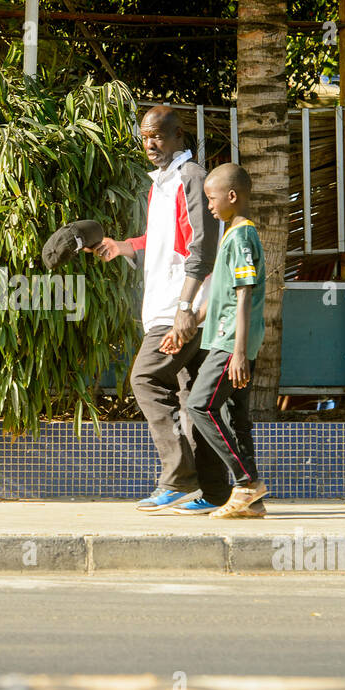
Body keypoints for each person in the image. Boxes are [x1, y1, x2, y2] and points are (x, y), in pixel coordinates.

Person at [88, 105, 231, 514]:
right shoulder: (164, 182)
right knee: (191, 396)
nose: (151, 143)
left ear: (179, 135)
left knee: (146, 379)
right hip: (175, 304)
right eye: (146, 136)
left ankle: (178, 475)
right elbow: (166, 239)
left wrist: (186, 308)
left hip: (183, 307)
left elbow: (202, 249)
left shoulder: (192, 178)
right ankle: (214, 491)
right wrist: (124, 246)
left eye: (159, 136)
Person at [170, 162, 269, 518]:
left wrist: (239, 351)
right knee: (235, 415)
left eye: (212, 198)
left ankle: (245, 483)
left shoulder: (242, 235)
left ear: (232, 196)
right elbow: (219, 295)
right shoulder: (231, 234)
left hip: (231, 344)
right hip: (226, 341)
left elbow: (244, 294)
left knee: (199, 405)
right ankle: (253, 502)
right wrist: (190, 325)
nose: (209, 205)